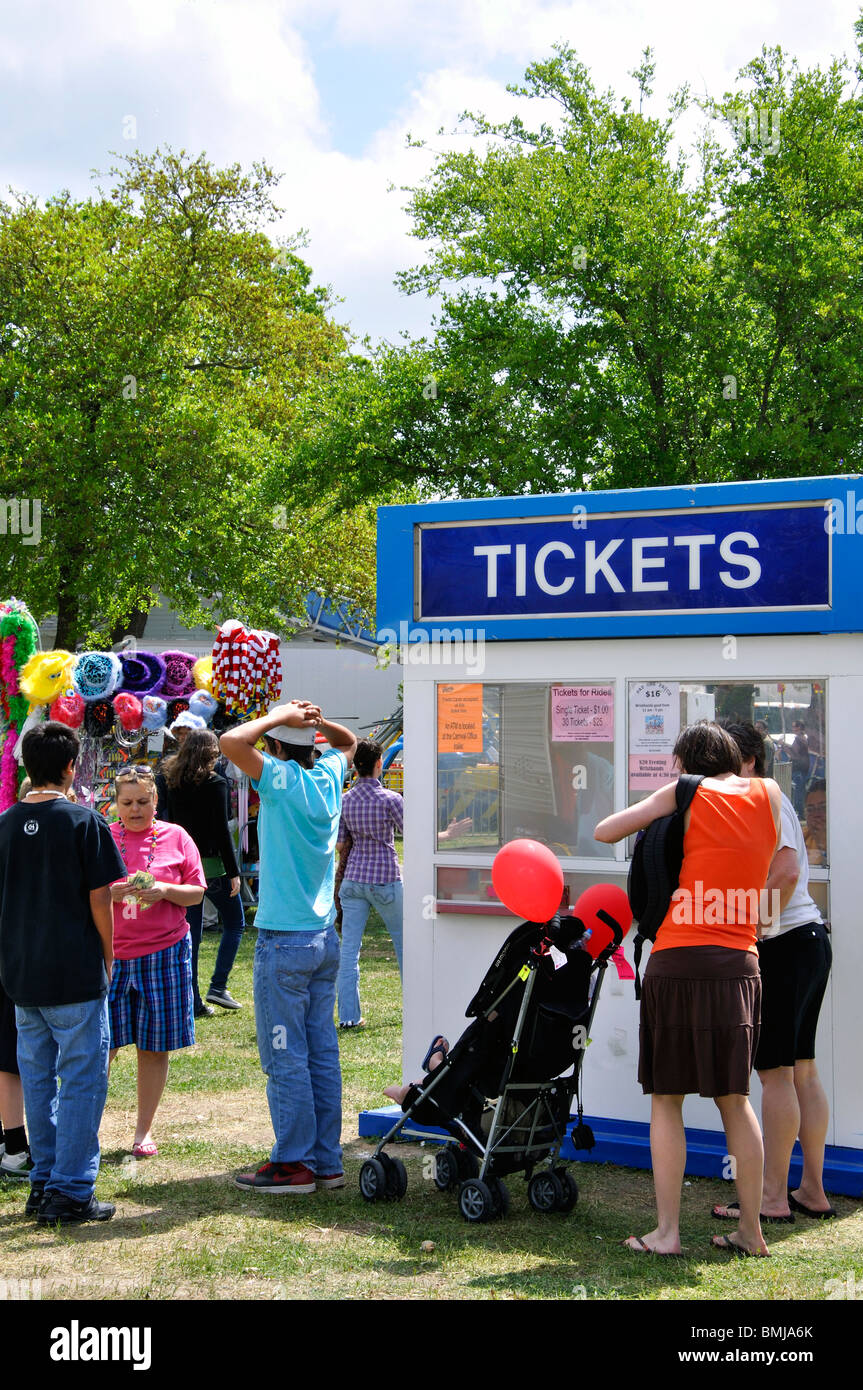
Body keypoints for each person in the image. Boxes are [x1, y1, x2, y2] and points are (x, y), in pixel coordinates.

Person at [594, 720, 781, 1258]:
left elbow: (608, 830)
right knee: (735, 1100)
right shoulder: (768, 793)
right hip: (740, 961)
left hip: (677, 958)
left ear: (685, 762)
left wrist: (670, 804)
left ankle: (668, 1233)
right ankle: (752, 1231)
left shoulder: (683, 791)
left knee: (667, 1100)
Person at [220, 700, 356, 1194]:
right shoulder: (327, 778)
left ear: (276, 748)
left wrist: (279, 715)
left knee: (285, 1055)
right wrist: (321, 723)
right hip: (324, 938)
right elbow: (349, 744)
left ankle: (293, 1163)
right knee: (321, 1051)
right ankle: (326, 1161)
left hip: (284, 942)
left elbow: (231, 742)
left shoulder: (279, 779)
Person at [0, 721, 124, 1224]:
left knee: (37, 1081)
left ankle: (45, 1182)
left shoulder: (5, 825)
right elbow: (101, 898)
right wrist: (109, 953)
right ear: (72, 766)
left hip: (22, 975)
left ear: (27, 766)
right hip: (73, 972)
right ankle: (71, 1189)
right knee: (80, 1082)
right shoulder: (83, 821)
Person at [713, 724, 834, 1222]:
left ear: (748, 762)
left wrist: (754, 931)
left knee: (776, 1074)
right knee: (802, 1069)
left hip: (786, 944)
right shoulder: (765, 799)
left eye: (722, 763)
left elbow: (784, 871)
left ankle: (771, 1199)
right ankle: (811, 1190)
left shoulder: (766, 798)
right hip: (808, 941)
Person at [108, 764, 206, 1157]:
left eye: (143, 802)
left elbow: (197, 892)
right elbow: (79, 890)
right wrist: (107, 894)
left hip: (164, 953)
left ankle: (143, 1131)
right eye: (127, 802)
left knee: (153, 1046)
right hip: (110, 956)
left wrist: (165, 889)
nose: (135, 810)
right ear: (115, 803)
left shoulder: (176, 836)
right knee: (100, 1047)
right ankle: (80, 1129)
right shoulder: (102, 836)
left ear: (156, 800)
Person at [157, 730, 245, 1016]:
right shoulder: (215, 783)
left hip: (180, 864)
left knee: (190, 935)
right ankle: (218, 985)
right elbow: (221, 830)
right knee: (235, 922)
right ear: (212, 753)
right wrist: (234, 871)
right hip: (211, 866)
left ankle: (191, 1000)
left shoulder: (169, 779)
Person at [336, 739, 404, 1029]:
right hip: (386, 877)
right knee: (404, 945)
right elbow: (411, 831)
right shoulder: (391, 799)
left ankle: (349, 1017)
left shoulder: (344, 800)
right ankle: (415, 1008)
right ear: (379, 764)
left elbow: (340, 845)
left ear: (355, 766)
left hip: (353, 879)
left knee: (349, 951)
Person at [802, 780, 828, 867]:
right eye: (810, 810)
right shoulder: (802, 837)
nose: (816, 814)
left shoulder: (847, 838)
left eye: (823, 807)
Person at [789, 720, 810, 817]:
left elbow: (795, 754)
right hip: (803, 768)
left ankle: (800, 812)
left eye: (795, 727)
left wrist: (785, 747)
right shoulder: (803, 738)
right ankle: (801, 812)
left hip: (799, 768)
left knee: (798, 790)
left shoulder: (799, 739)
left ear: (800, 728)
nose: (793, 729)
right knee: (800, 790)